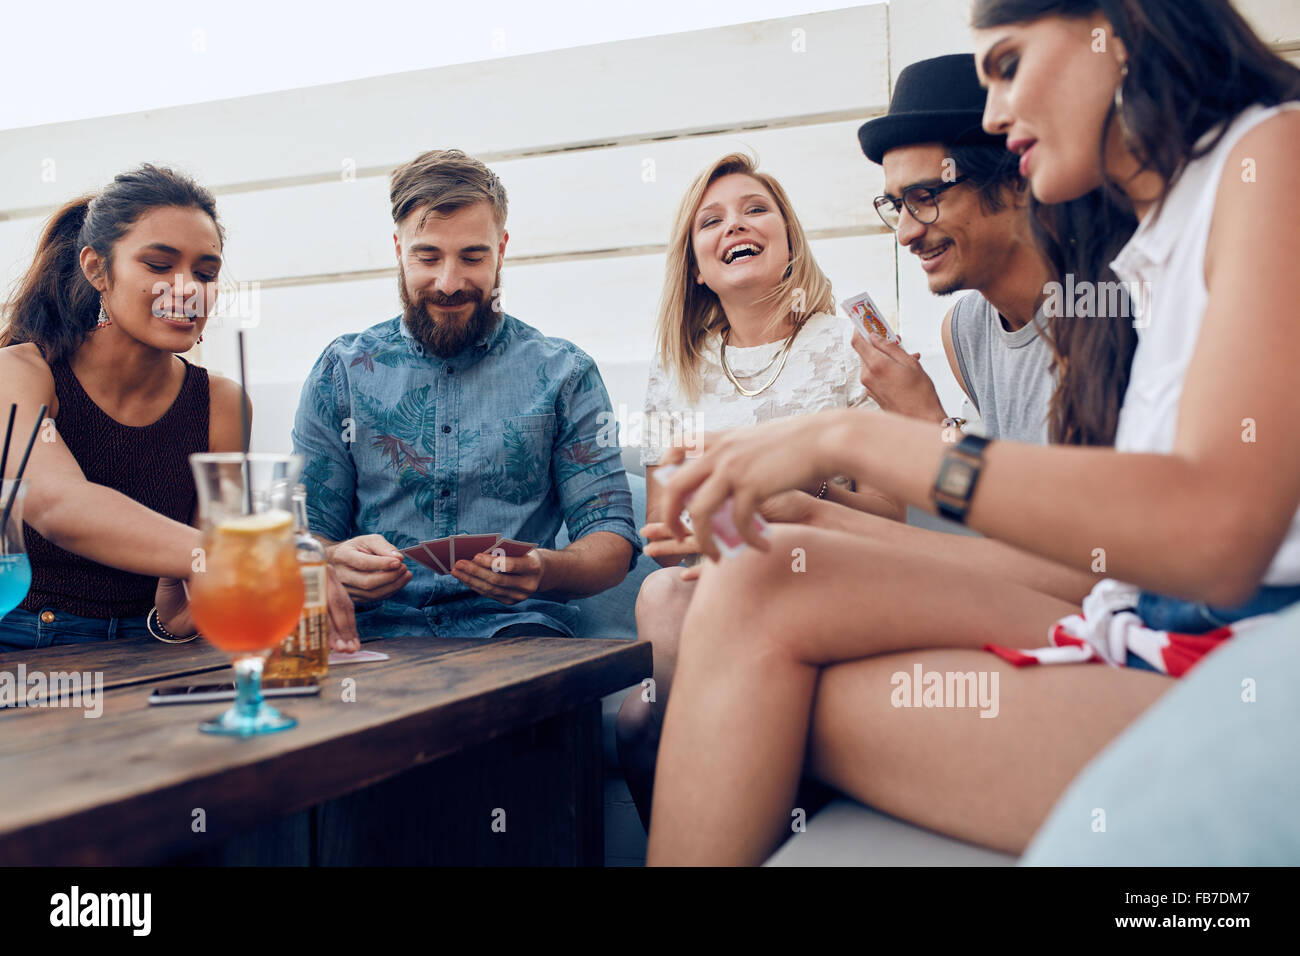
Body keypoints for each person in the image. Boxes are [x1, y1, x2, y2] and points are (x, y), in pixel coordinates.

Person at [645, 0, 1300, 865]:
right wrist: (807, 511)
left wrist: (854, 437)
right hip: (1136, 624)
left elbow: (1214, 537)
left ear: (1125, 29)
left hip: (1233, 670)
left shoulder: (1271, 159)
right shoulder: (1154, 245)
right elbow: (1099, 566)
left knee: (749, 674)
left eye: (1009, 64)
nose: (992, 113)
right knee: (751, 594)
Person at [616, 153, 898, 826]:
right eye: (710, 221)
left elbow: (893, 516)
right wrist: (714, 505)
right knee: (657, 616)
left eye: (754, 210)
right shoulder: (679, 368)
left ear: (788, 237)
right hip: (717, 584)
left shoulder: (844, 344)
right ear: (695, 264)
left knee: (648, 714)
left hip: (825, 574)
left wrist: (800, 481)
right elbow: (661, 540)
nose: (733, 226)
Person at [0, 164, 360, 652]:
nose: (187, 287)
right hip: (23, 644)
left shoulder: (222, 402)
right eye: (159, 265)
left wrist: (183, 615)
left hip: (153, 651)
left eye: (206, 272)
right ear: (96, 269)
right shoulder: (21, 372)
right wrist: (245, 555)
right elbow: (58, 505)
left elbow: (196, 585)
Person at [292, 149, 640, 639]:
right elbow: (301, 537)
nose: (449, 283)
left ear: (502, 248)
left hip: (517, 636)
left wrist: (545, 569)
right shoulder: (342, 371)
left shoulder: (566, 373)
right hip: (373, 642)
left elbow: (612, 544)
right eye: (427, 256)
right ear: (398, 250)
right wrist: (330, 560)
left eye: (472, 257)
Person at [855, 52, 1134, 445]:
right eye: (898, 206)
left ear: (1014, 184)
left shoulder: (1117, 304)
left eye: (924, 197)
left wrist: (929, 426)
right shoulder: (964, 330)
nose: (905, 233)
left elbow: (1074, 503)